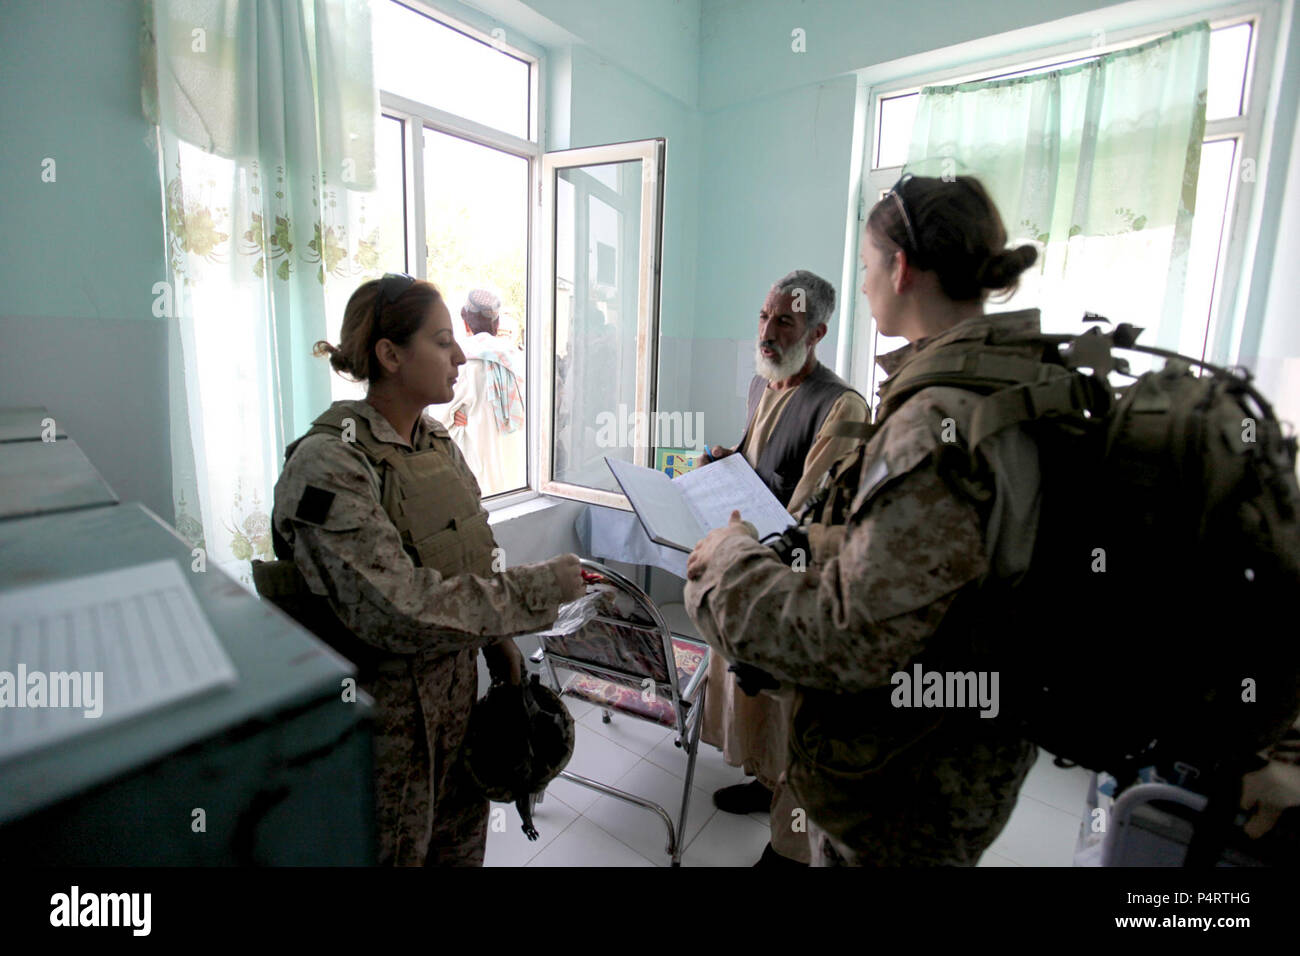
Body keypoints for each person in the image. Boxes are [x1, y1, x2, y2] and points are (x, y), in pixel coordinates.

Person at [684, 174, 1043, 865]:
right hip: (952, 744)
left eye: (868, 265)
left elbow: (844, 636)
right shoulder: (1005, 384)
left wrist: (728, 559)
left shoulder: (929, 418)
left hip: (905, 778)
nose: (769, 329)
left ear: (899, 267)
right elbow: (913, 549)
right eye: (764, 315)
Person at [267, 273, 584, 866]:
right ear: (389, 355)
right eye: (442, 342)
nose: (461, 354)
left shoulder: (436, 443)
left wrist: (500, 647)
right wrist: (539, 589)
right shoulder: (329, 465)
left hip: (458, 719)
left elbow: (474, 554)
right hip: (378, 738)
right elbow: (396, 609)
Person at [696, 269, 869, 867]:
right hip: (751, 567)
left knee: (794, 717)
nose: (768, 332)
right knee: (753, 700)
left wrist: (739, 541)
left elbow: (812, 509)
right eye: (764, 317)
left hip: (794, 585)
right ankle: (764, 785)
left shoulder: (843, 405)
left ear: (817, 332)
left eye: (785, 322)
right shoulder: (762, 384)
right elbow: (759, 460)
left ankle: (790, 848)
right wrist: (724, 463)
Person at [431, 289, 527, 497]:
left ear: (465, 324)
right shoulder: (518, 360)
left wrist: (456, 418)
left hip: (477, 474)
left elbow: (438, 420)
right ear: (497, 324)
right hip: (519, 475)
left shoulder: (460, 362)